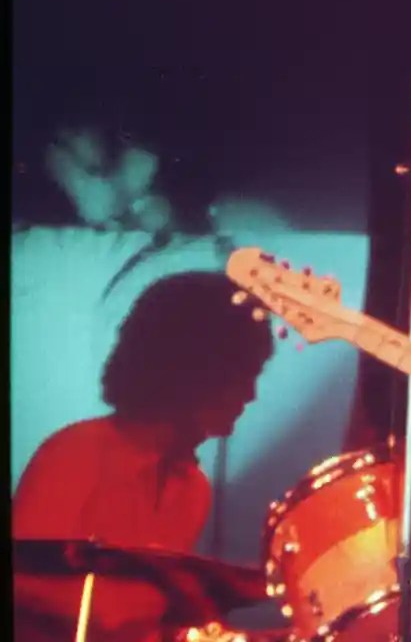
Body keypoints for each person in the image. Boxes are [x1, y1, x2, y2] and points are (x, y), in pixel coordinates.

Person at [13, 271, 275, 642]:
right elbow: (18, 583)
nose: (251, 395)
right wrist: (109, 607)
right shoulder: (75, 453)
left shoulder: (193, 489)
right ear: (195, 371)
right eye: (243, 375)